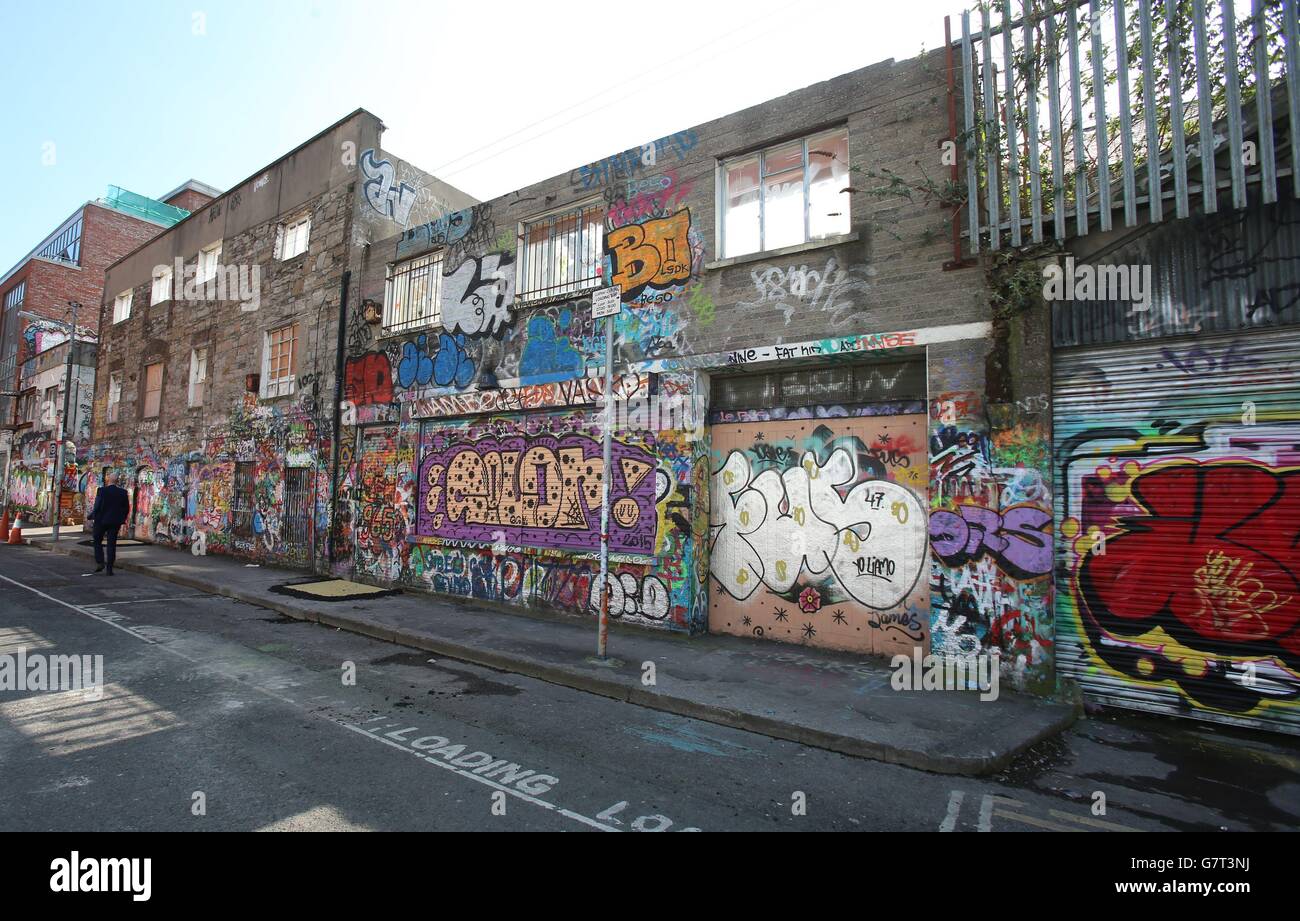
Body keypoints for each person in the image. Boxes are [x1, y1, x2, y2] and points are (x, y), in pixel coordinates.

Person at [87, 471, 131, 576]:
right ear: (117, 481)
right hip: (115, 521)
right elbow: (126, 508)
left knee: (97, 541)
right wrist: (122, 519)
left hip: (101, 520)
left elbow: (97, 505)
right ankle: (109, 569)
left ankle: (100, 562)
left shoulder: (102, 491)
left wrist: (91, 516)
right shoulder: (123, 492)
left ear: (108, 479)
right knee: (111, 544)